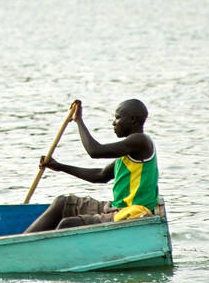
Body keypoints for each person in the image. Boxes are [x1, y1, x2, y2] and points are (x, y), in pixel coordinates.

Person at [23, 98, 159, 233]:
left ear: (133, 120)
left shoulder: (140, 141)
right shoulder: (129, 152)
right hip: (116, 207)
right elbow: (100, 175)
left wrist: (79, 121)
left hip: (131, 213)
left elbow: (95, 151)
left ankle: (39, 249)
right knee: (62, 202)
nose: (113, 123)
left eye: (117, 118)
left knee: (69, 224)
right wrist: (59, 166)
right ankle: (23, 241)